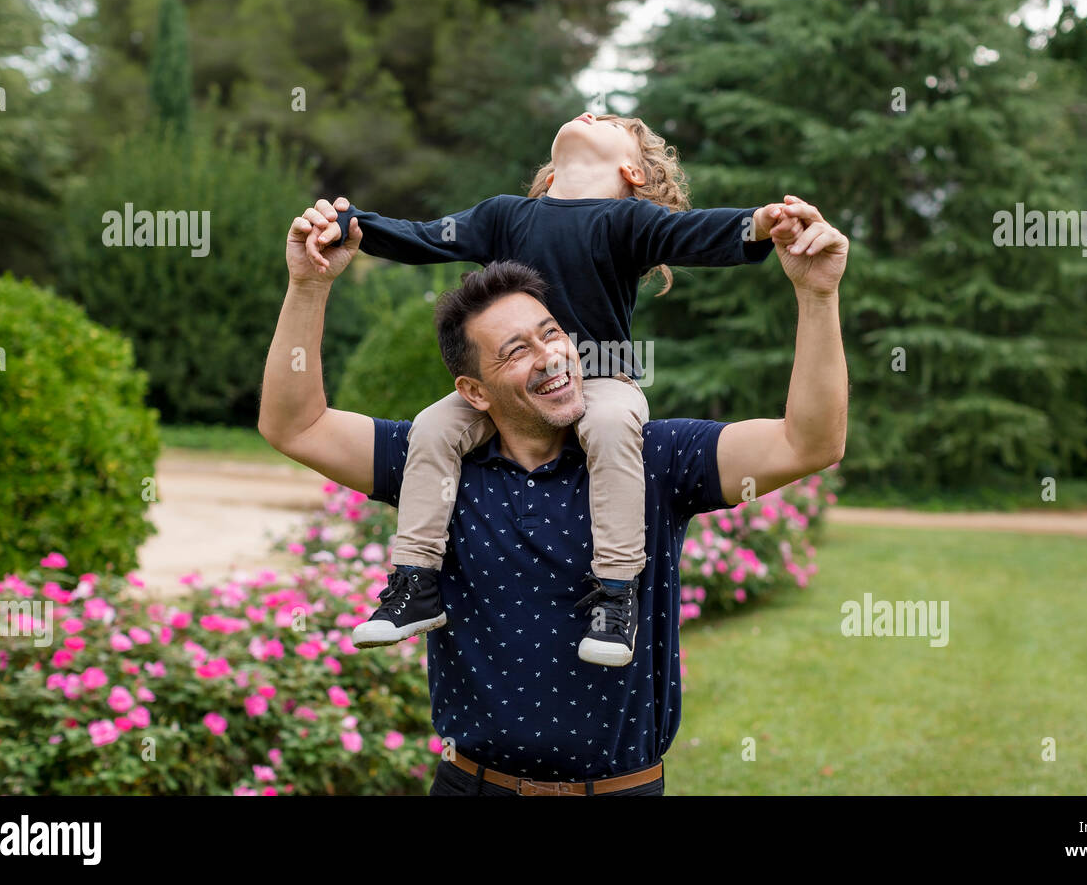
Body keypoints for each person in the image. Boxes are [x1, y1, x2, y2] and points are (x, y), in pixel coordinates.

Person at [258, 196, 848, 794]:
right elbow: (295, 425)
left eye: (552, 334)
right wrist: (308, 285)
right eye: (518, 351)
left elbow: (809, 443)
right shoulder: (435, 464)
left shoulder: (655, 459)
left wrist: (817, 295)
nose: (553, 358)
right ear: (474, 391)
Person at [300, 111, 805, 667]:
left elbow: (695, 234)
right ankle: (416, 581)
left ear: (632, 172)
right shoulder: (504, 216)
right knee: (433, 427)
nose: (591, 112)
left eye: (612, 120)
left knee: (613, 428)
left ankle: (615, 595)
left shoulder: (628, 221)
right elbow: (428, 237)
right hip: (510, 388)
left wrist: (757, 224)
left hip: (599, 378)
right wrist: (355, 224)